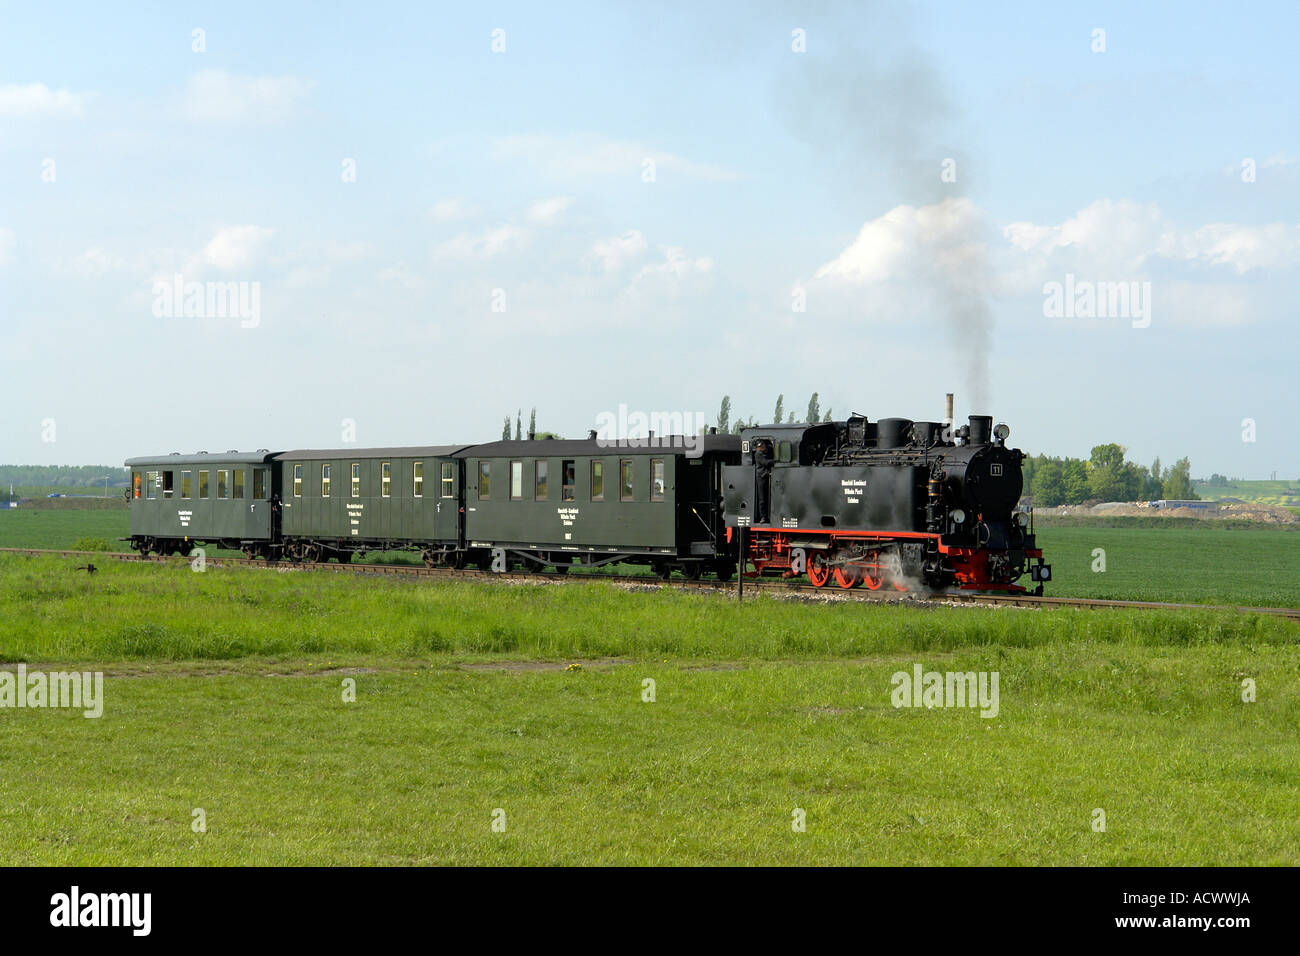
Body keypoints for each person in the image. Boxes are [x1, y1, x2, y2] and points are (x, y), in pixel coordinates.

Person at [753, 439, 774, 524]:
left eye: (762, 446)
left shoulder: (769, 449)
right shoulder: (758, 454)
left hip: (768, 474)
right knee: (762, 498)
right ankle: (763, 517)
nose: (761, 448)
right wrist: (775, 461)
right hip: (761, 476)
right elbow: (765, 463)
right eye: (760, 447)